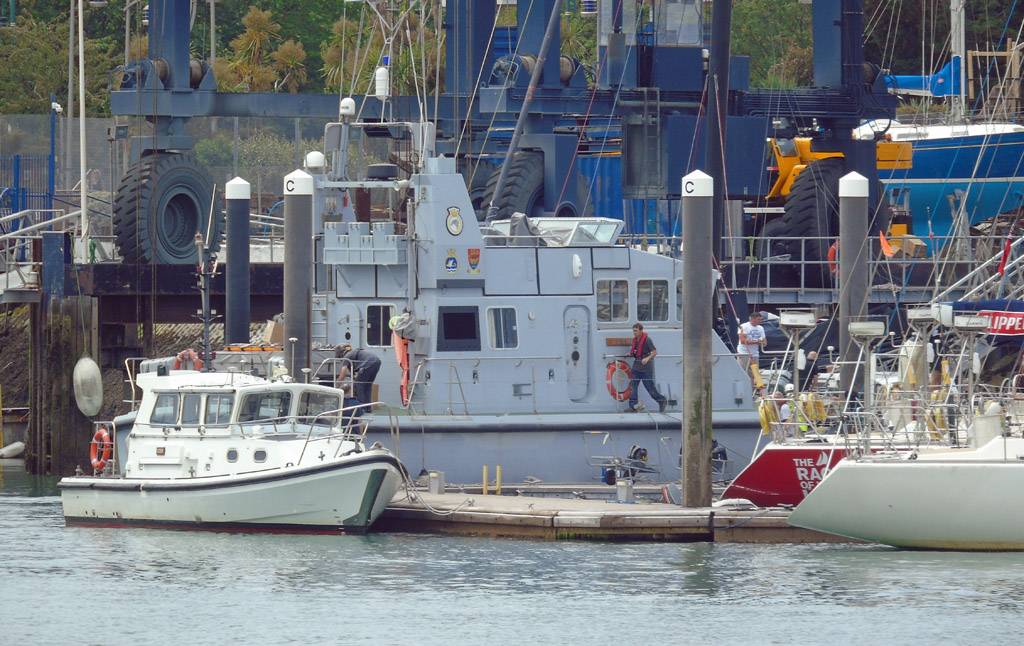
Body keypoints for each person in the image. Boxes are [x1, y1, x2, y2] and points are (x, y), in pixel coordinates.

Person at [625, 323, 667, 413]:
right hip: (636, 365)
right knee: (633, 386)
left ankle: (661, 400)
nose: (634, 333)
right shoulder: (635, 340)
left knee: (649, 387)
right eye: (633, 331)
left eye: (636, 331)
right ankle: (633, 406)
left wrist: (647, 359)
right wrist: (630, 353)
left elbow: (655, 352)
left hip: (645, 367)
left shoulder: (647, 340)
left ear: (641, 330)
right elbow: (635, 350)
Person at [737, 310, 767, 387]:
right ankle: (745, 389)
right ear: (752, 319)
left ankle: (753, 390)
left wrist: (762, 343)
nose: (760, 321)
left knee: (755, 374)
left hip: (755, 354)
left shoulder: (761, 328)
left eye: (761, 319)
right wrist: (756, 342)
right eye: (758, 319)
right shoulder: (744, 326)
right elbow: (743, 341)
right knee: (744, 373)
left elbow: (764, 341)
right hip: (744, 353)